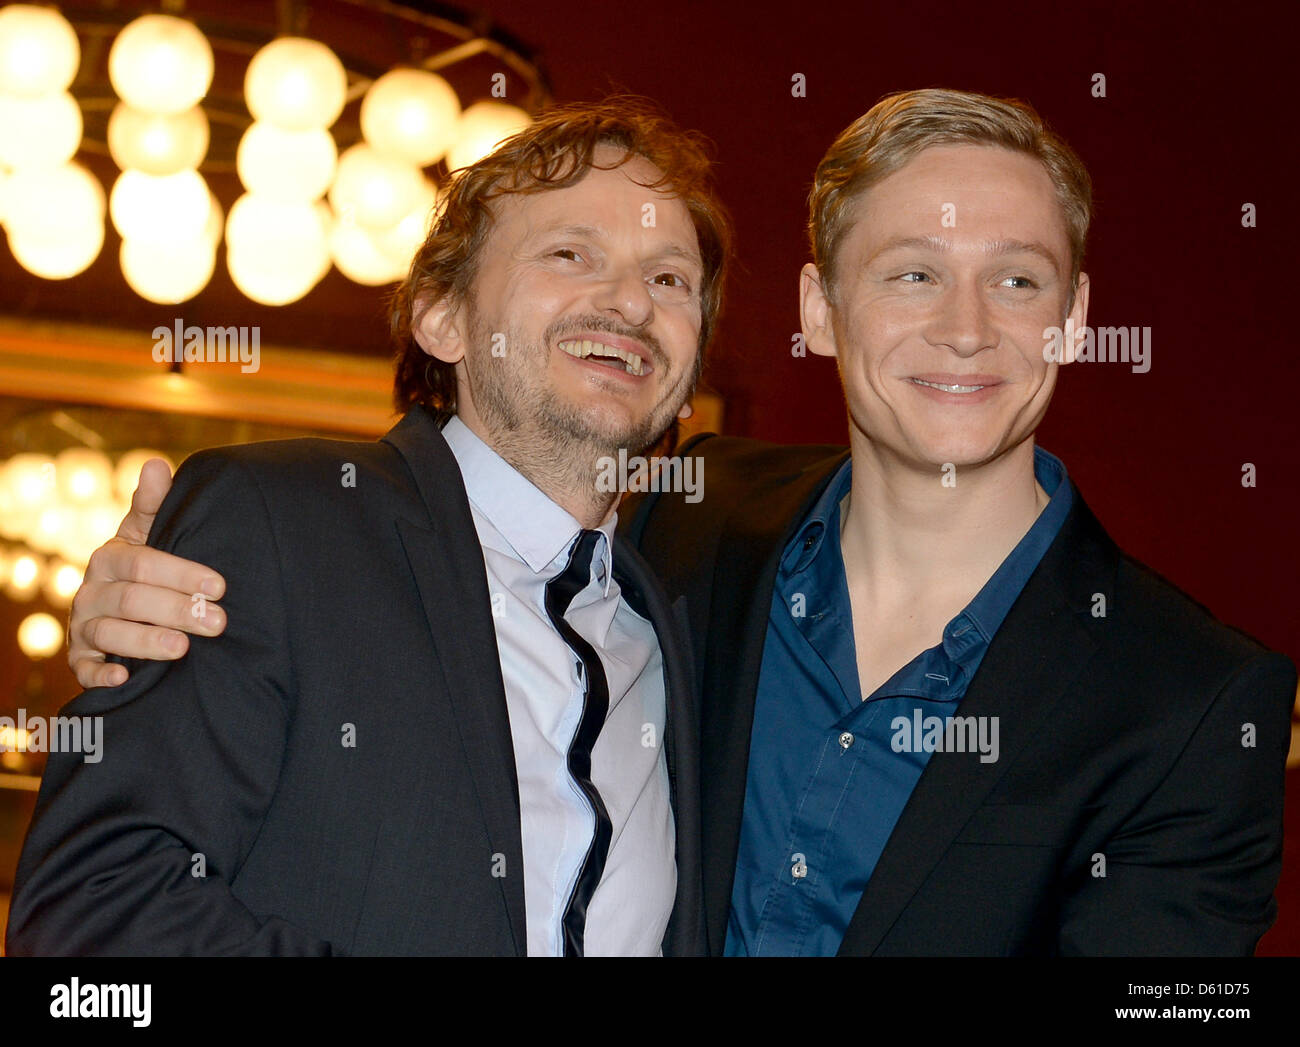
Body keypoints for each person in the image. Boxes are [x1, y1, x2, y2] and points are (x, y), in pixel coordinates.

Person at [61, 89, 1296, 956]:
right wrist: (132, 597)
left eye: (1015, 281)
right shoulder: (688, 543)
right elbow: (86, 939)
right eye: (911, 272)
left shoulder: (1196, 700)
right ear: (820, 309)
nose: (965, 327)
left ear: (1073, 318)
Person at [6, 98, 731, 957]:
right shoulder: (277, 522)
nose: (628, 302)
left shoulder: (682, 623)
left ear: (688, 377)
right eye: (571, 253)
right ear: (442, 317)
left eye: (670, 279)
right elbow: (89, 921)